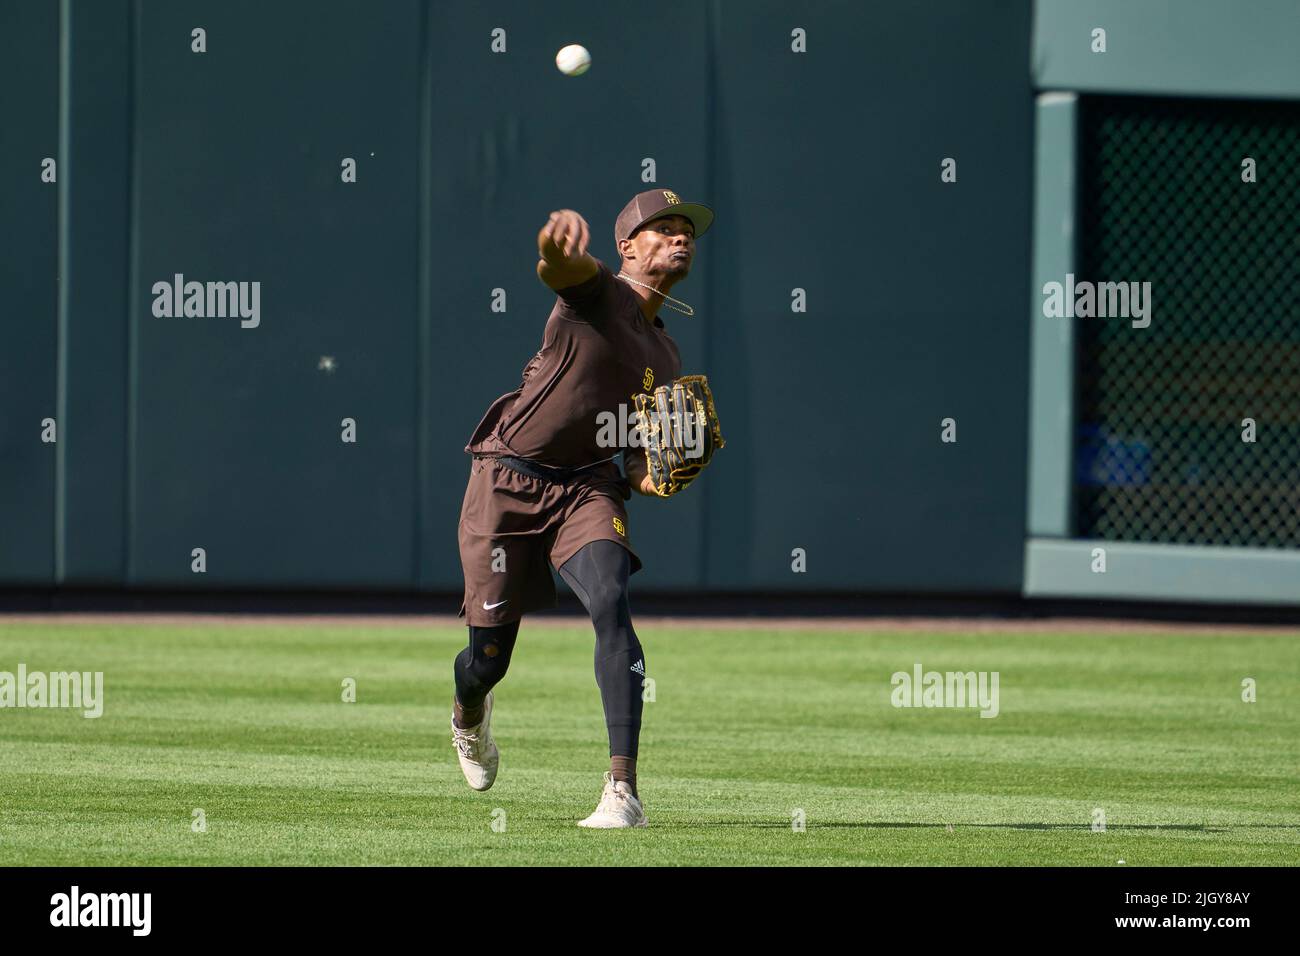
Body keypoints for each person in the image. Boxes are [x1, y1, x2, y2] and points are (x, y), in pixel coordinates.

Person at [450, 188, 714, 828]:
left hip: (587, 487)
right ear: (626, 247)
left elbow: (631, 456)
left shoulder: (667, 355)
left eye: (687, 231)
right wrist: (553, 246)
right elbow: (559, 270)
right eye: (663, 229)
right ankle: (468, 715)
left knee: (609, 599)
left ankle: (622, 790)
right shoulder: (600, 294)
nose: (680, 238)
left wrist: (650, 479)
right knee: (487, 660)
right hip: (506, 482)